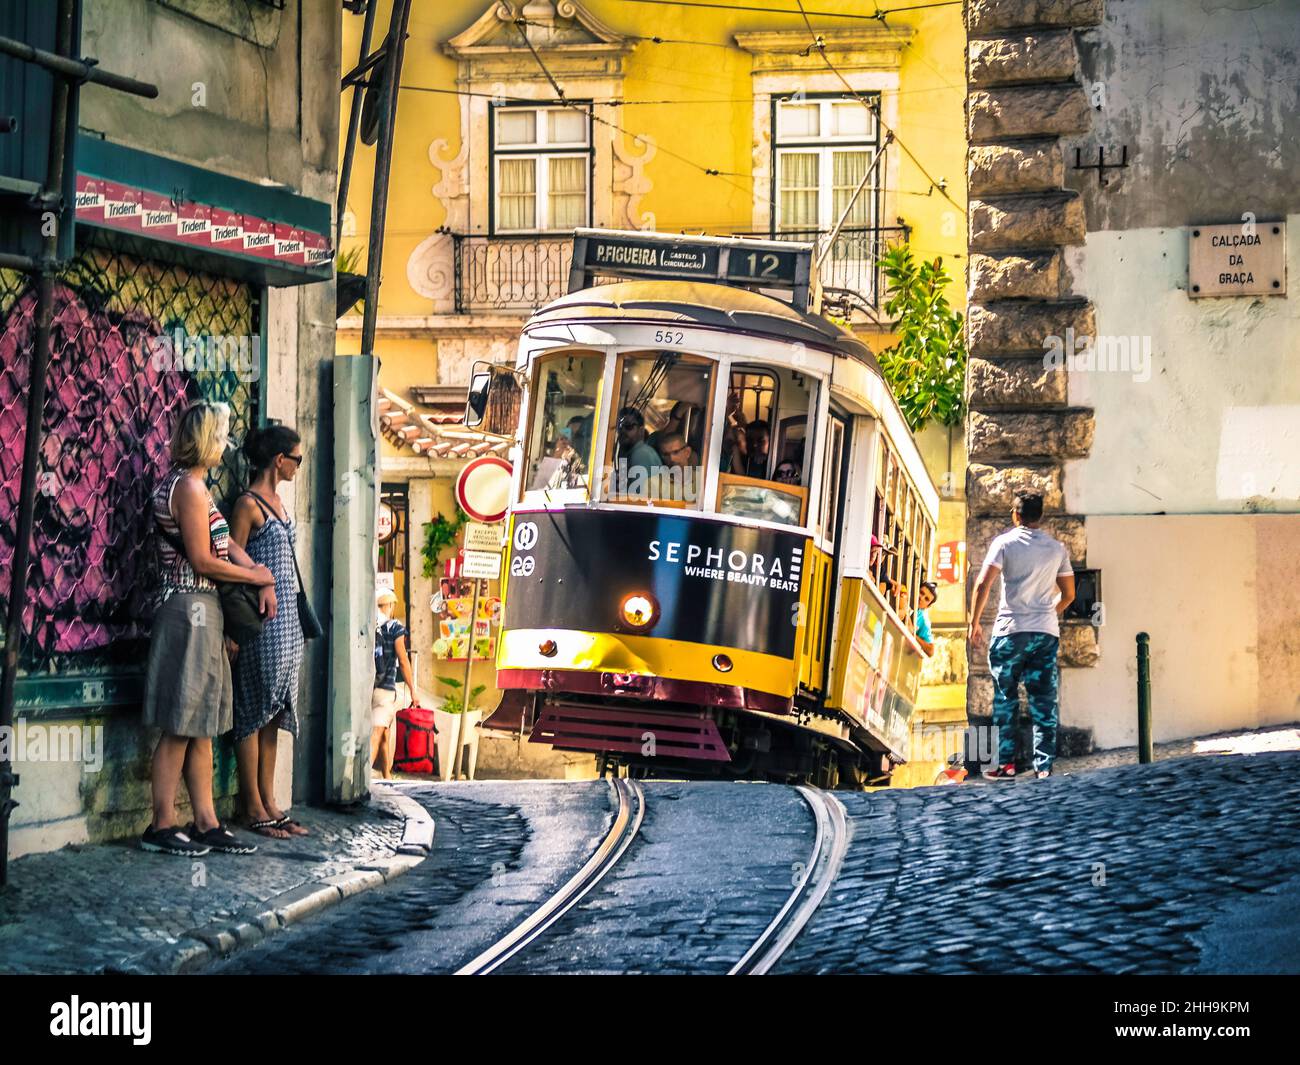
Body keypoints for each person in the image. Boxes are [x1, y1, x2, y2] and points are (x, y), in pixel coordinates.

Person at [140, 400, 277, 857]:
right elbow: (202, 560)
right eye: (221, 435)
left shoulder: (198, 488)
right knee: (181, 722)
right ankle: (161, 824)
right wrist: (255, 576)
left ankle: (206, 822)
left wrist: (260, 571)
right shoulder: (189, 490)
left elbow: (226, 551)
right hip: (188, 608)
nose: (226, 444)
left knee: (201, 725)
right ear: (205, 439)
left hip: (203, 611)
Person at [229, 424, 307, 839]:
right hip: (258, 623)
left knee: (276, 710)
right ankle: (251, 806)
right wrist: (233, 628)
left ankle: (269, 799)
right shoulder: (248, 505)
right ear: (279, 460)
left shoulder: (279, 503)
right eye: (297, 458)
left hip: (286, 621)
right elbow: (229, 562)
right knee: (253, 709)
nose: (299, 465)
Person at [969, 492, 1076, 781]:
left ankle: (1006, 765)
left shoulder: (1004, 543)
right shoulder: (1057, 549)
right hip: (1044, 633)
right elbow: (1069, 594)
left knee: (1005, 699)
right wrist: (1047, 614)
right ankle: (1043, 767)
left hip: (1010, 632)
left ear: (1015, 515)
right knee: (1044, 699)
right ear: (1040, 516)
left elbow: (983, 585)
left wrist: (974, 623)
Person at [371, 588, 416, 780]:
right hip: (385, 689)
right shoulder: (394, 627)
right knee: (377, 731)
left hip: (369, 687)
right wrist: (413, 690)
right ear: (389, 605)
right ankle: (362, 778)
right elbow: (403, 660)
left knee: (385, 730)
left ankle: (386, 775)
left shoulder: (370, 624)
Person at [614, 406, 661, 496]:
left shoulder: (640, 454)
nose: (622, 431)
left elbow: (637, 501)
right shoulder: (627, 452)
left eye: (629, 426)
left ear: (641, 431)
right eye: (619, 427)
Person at [914, 580, 937, 656]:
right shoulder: (905, 596)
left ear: (928, 606)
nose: (921, 598)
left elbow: (931, 651)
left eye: (926, 599)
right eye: (921, 593)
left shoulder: (923, 620)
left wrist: (912, 635)